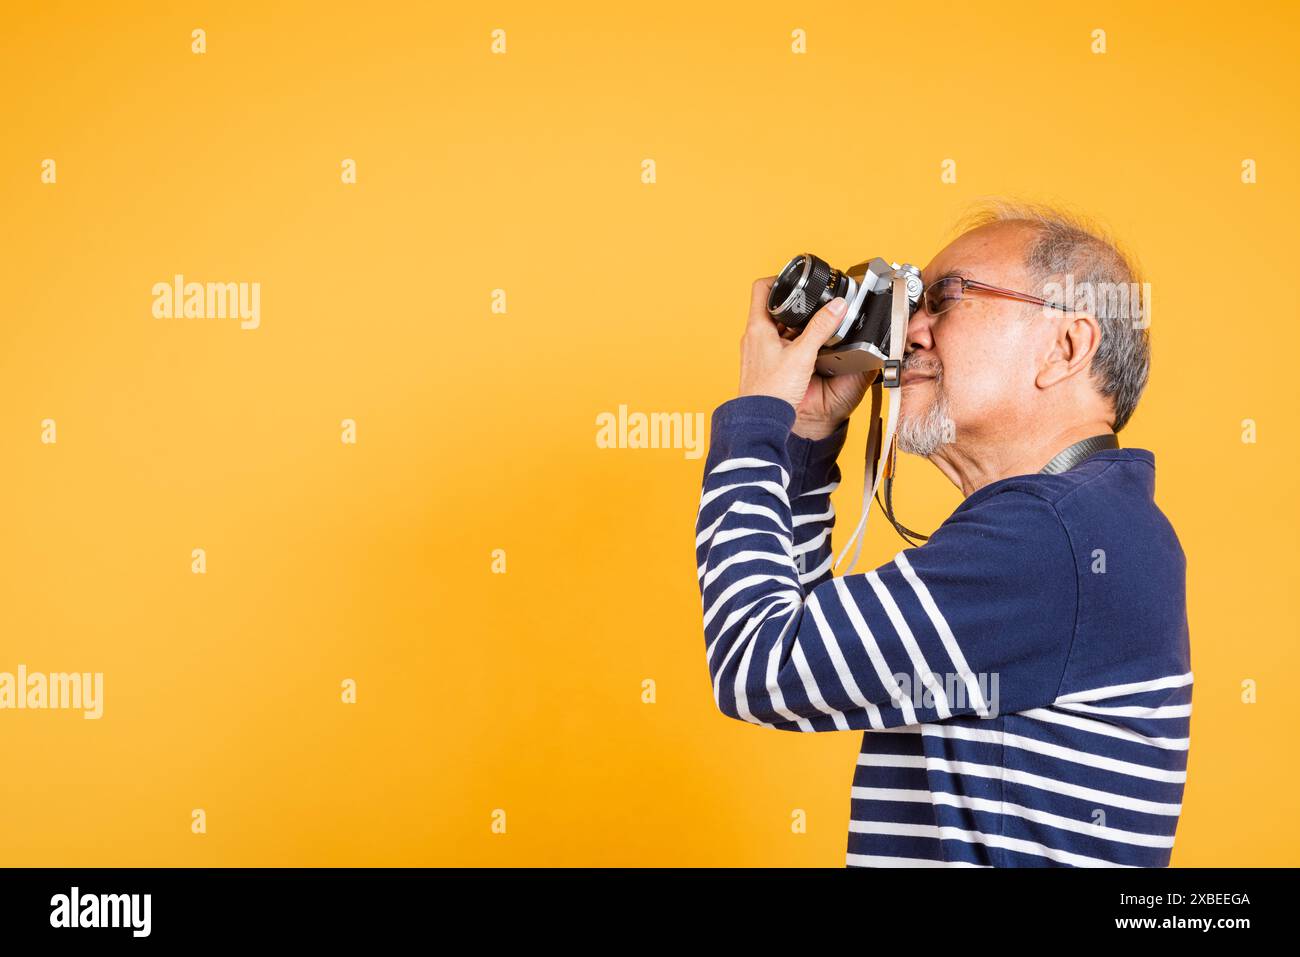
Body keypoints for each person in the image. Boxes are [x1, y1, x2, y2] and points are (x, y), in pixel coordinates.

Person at [694, 201, 1191, 867]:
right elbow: (806, 651)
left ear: (1064, 347)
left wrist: (754, 415)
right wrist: (807, 436)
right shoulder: (1084, 522)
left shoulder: (1051, 538)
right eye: (910, 304)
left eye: (946, 299)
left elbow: (759, 665)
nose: (910, 334)